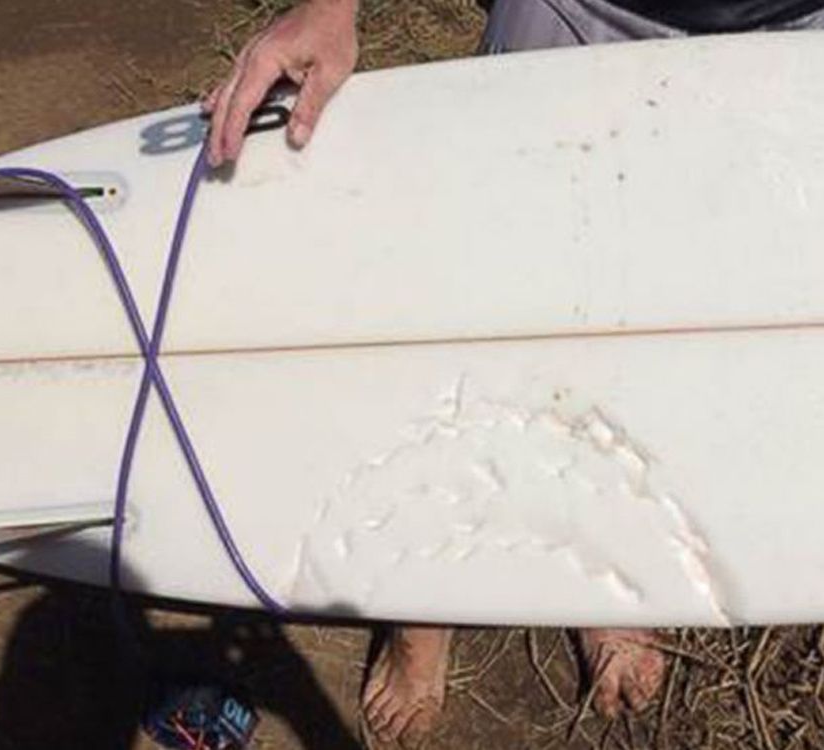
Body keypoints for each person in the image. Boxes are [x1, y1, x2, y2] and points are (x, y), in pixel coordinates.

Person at [204, 0, 824, 745]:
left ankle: (606, 573)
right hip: (583, 6)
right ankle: (421, 601)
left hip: (790, 30)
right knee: (487, 291)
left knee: (689, 311)